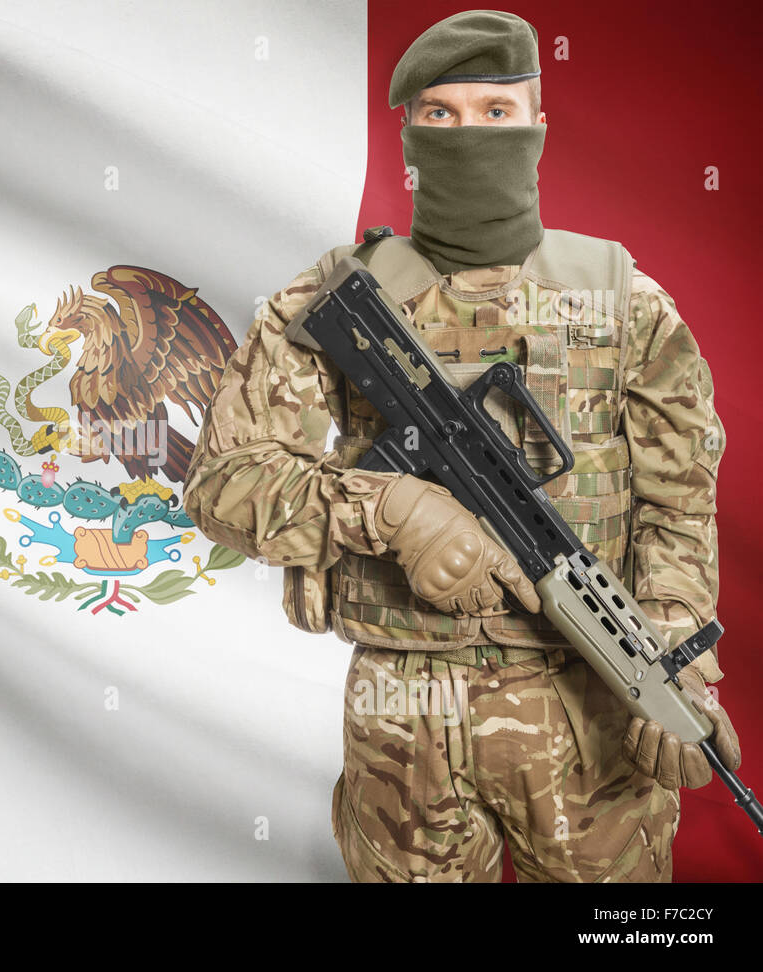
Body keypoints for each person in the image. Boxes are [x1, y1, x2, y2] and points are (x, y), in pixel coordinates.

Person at [182, 9, 742, 882]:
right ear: (407, 134)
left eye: (495, 112)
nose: (468, 134)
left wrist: (667, 662)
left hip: (589, 725)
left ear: (538, 130)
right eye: (440, 114)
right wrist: (393, 509)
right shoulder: (339, 295)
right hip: (402, 719)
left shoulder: (627, 302)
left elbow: (680, 506)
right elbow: (223, 483)